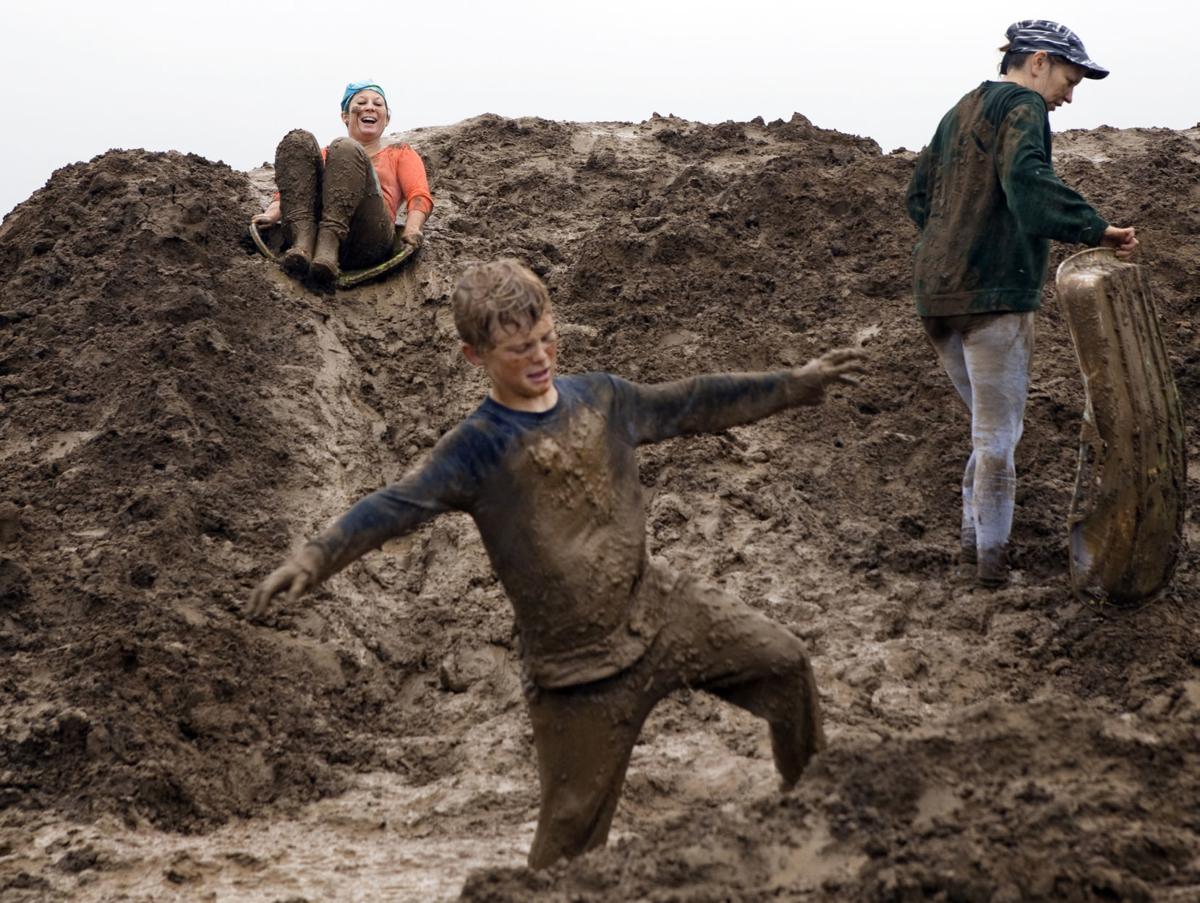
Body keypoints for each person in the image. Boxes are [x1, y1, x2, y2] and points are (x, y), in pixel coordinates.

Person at [248, 258, 867, 869]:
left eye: (547, 338)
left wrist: (794, 384)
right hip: (577, 676)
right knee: (566, 852)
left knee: (785, 664)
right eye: (520, 349)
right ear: (476, 356)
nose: (541, 357)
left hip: (659, 611)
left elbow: (694, 402)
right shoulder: (477, 449)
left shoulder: (602, 397)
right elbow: (396, 505)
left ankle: (811, 821)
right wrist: (316, 556)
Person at [905, 19, 1138, 588]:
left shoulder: (960, 109)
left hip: (936, 297)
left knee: (989, 433)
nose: (1069, 94)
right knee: (997, 438)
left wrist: (953, 241)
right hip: (993, 294)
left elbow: (916, 198)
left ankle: (969, 551)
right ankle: (991, 570)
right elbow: (1029, 187)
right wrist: (1096, 229)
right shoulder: (1022, 107)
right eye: (1069, 77)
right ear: (1037, 62)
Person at [252, 80, 433, 284]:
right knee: (297, 141)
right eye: (361, 102)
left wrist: (412, 228)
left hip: (367, 239)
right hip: (312, 237)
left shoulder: (399, 153)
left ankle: (330, 245)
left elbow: (418, 194)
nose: (370, 107)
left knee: (346, 148)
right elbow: (294, 189)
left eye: (378, 104)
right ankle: (302, 243)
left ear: (387, 117)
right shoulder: (326, 155)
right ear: (345, 116)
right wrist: (272, 213)